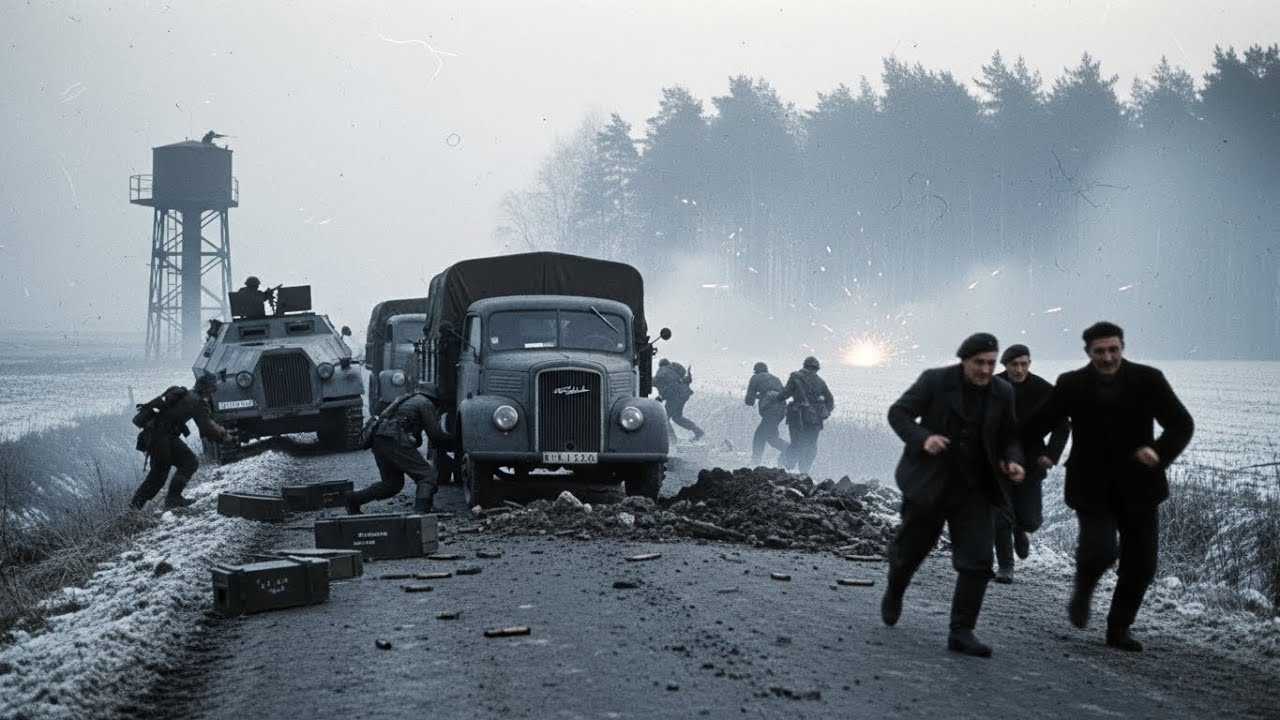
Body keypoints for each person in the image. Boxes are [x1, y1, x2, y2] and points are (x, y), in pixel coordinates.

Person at [1023, 322, 1193, 652]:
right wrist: (1029, 456)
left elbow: (1181, 424)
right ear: (1088, 352)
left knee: (1142, 564)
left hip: (1141, 487)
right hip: (1092, 486)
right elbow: (1036, 425)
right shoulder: (1072, 384)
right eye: (1099, 351)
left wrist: (1158, 452)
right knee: (1100, 550)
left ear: (1122, 347)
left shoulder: (1148, 380)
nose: (1107, 356)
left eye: (1113, 349)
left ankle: (1119, 627)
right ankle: (1083, 590)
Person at [881, 333, 1025, 657]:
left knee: (978, 560)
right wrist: (924, 438)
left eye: (991, 363)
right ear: (964, 360)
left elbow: (1010, 434)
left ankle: (961, 631)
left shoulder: (1002, 392)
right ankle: (895, 589)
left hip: (975, 489)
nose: (986, 370)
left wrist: (1013, 459)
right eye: (979, 363)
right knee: (909, 551)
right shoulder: (935, 381)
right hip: (930, 483)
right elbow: (898, 413)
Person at [991, 344, 1071, 584]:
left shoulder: (1044, 390)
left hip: (1032, 460)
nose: (1019, 369)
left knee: (1031, 520)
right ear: (1005, 365)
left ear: (1030, 364)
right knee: (1000, 514)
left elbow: (1063, 425)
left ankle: (1020, 529)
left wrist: (1051, 454)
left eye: (1024, 364)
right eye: (1014, 364)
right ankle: (1006, 566)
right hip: (998, 460)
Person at [347, 381, 455, 514]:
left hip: (379, 438)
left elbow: (415, 438)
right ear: (434, 398)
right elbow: (435, 436)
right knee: (427, 476)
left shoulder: (408, 401)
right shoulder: (425, 403)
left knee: (391, 485)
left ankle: (353, 499)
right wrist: (456, 441)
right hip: (393, 437)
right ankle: (422, 513)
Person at [130, 375, 234, 510]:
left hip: (154, 436)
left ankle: (134, 509)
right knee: (189, 463)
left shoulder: (188, 395)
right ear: (208, 390)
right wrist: (224, 436)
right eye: (213, 390)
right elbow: (207, 427)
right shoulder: (198, 402)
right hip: (163, 438)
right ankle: (172, 499)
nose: (213, 394)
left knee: (158, 476)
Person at [774, 356, 834, 474]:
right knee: (811, 445)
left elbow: (784, 395)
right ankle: (804, 472)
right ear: (816, 368)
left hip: (798, 417)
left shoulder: (796, 377)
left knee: (797, 443)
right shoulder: (821, 382)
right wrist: (823, 413)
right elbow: (830, 401)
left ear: (804, 366)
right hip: (815, 420)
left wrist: (776, 397)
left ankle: (785, 468)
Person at [744, 361, 789, 466]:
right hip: (782, 410)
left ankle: (755, 463)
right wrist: (761, 395)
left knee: (759, 436)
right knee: (771, 438)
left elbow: (749, 401)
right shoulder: (775, 378)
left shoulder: (755, 378)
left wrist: (755, 396)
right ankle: (788, 450)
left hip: (770, 411)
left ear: (755, 371)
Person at [653, 358, 704, 442]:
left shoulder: (662, 371)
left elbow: (667, 385)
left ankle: (672, 440)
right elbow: (682, 381)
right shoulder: (674, 371)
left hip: (675, 396)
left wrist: (661, 397)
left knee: (663, 418)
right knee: (677, 417)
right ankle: (698, 432)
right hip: (683, 394)